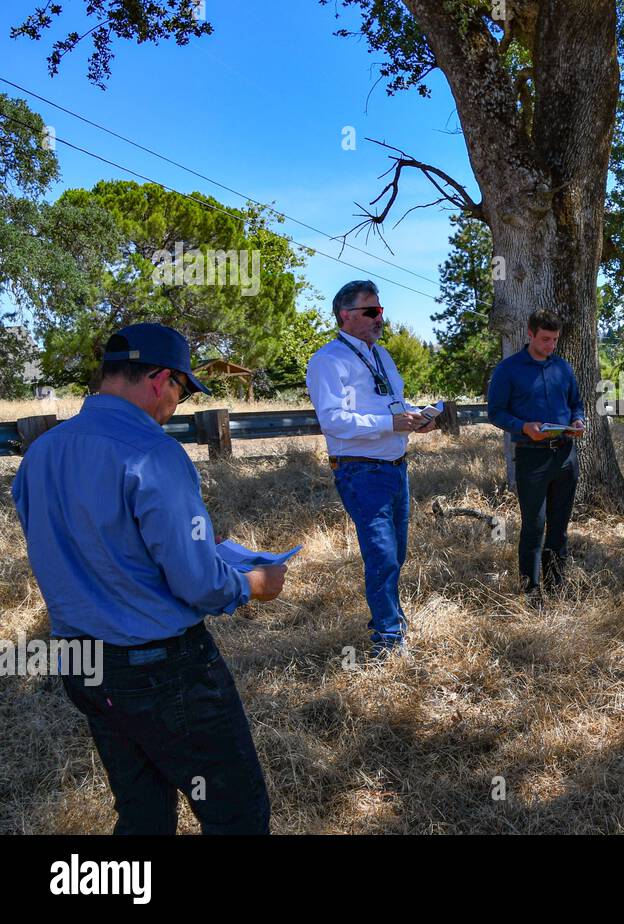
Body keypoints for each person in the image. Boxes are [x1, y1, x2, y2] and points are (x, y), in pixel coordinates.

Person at [11, 323, 287, 835]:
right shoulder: (154, 453)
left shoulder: (43, 453)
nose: (177, 406)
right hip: (161, 667)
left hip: (82, 662)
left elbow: (72, 549)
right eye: (182, 391)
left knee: (142, 811)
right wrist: (254, 584)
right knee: (237, 812)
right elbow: (199, 585)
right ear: (162, 379)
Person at [306, 280, 438, 657]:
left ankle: (391, 621)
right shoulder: (328, 361)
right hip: (361, 471)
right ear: (346, 316)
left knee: (397, 552)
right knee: (381, 554)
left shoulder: (382, 355)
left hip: (396, 466)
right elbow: (334, 422)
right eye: (372, 311)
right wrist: (390, 424)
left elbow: (392, 403)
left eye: (380, 309)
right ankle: (388, 640)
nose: (381, 317)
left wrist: (416, 418)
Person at [486, 308, 586, 608]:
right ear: (529, 334)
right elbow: (496, 412)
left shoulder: (564, 368)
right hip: (531, 458)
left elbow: (576, 404)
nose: (551, 345)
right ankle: (531, 592)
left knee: (559, 525)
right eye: (545, 339)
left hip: (566, 455)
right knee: (534, 525)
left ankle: (557, 586)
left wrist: (578, 421)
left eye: (555, 340)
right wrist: (524, 427)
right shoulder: (508, 370)